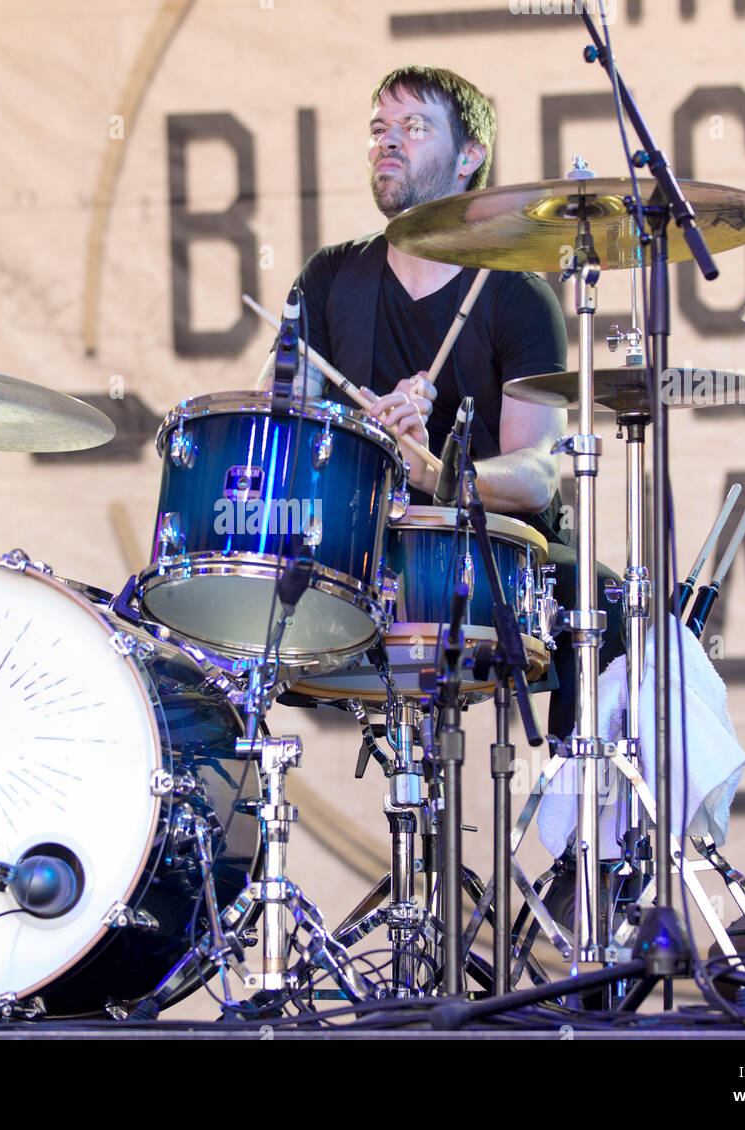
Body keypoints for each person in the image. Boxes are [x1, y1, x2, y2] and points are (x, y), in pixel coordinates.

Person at [259, 64, 623, 739]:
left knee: (603, 598)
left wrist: (436, 472)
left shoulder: (516, 295)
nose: (387, 142)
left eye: (414, 127)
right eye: (378, 130)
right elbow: (274, 427)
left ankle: (585, 830)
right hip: (364, 547)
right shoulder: (332, 277)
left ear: (469, 156)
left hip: (487, 555)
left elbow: (538, 473)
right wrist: (354, 432)